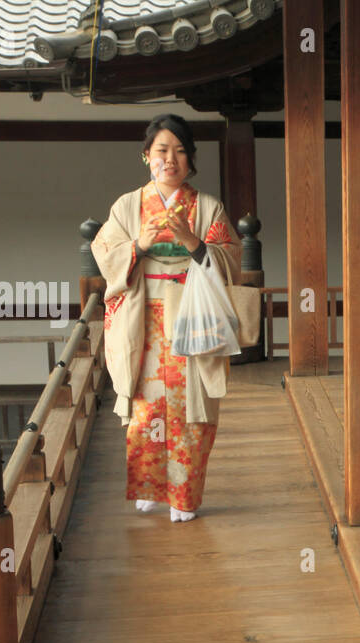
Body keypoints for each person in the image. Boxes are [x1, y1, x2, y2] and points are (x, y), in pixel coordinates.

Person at [92, 114, 244, 522]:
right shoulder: (127, 206)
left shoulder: (208, 206)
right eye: (161, 150)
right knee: (145, 409)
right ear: (146, 156)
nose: (170, 159)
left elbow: (230, 257)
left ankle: (184, 495)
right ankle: (150, 489)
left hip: (193, 314)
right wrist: (140, 243)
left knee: (192, 410)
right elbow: (106, 251)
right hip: (144, 315)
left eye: (179, 151)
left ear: (190, 159)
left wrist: (192, 242)